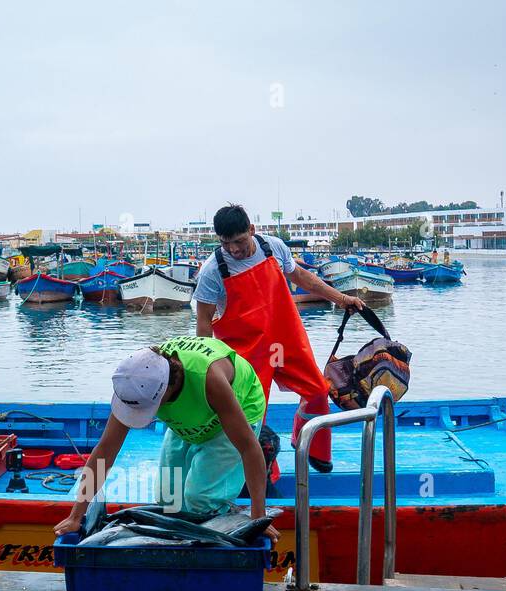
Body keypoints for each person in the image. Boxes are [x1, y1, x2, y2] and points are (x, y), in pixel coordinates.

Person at [193, 204, 366, 474]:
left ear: (251, 230)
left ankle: (308, 442)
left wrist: (342, 299)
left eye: (239, 241)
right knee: (250, 413)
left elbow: (303, 278)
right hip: (244, 356)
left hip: (284, 342)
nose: (235, 250)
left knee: (318, 390)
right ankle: (258, 474)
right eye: (227, 244)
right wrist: (205, 370)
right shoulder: (212, 270)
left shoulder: (272, 248)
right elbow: (203, 324)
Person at [53, 336, 268, 535]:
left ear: (167, 390)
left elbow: (248, 448)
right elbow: (105, 451)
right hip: (190, 415)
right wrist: (76, 515)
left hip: (237, 406)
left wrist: (259, 519)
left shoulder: (210, 380)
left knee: (201, 500)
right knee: (168, 501)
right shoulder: (136, 380)